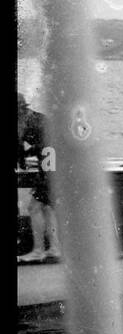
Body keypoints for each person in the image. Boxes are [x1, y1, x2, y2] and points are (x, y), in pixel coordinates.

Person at [17, 93, 61, 262]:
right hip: (56, 161)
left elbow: (19, 146)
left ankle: (38, 251)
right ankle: (55, 248)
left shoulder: (23, 121)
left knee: (34, 207)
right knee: (48, 208)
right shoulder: (38, 118)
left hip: (50, 163)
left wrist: (23, 160)